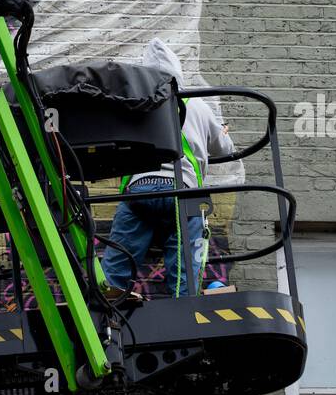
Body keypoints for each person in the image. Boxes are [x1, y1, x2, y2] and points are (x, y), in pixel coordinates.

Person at [101, 39, 237, 300]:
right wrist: (222, 133)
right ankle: (182, 314)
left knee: (117, 271)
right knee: (184, 275)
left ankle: (108, 318)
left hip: (138, 192)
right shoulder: (197, 105)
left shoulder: (133, 105)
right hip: (182, 194)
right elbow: (224, 149)